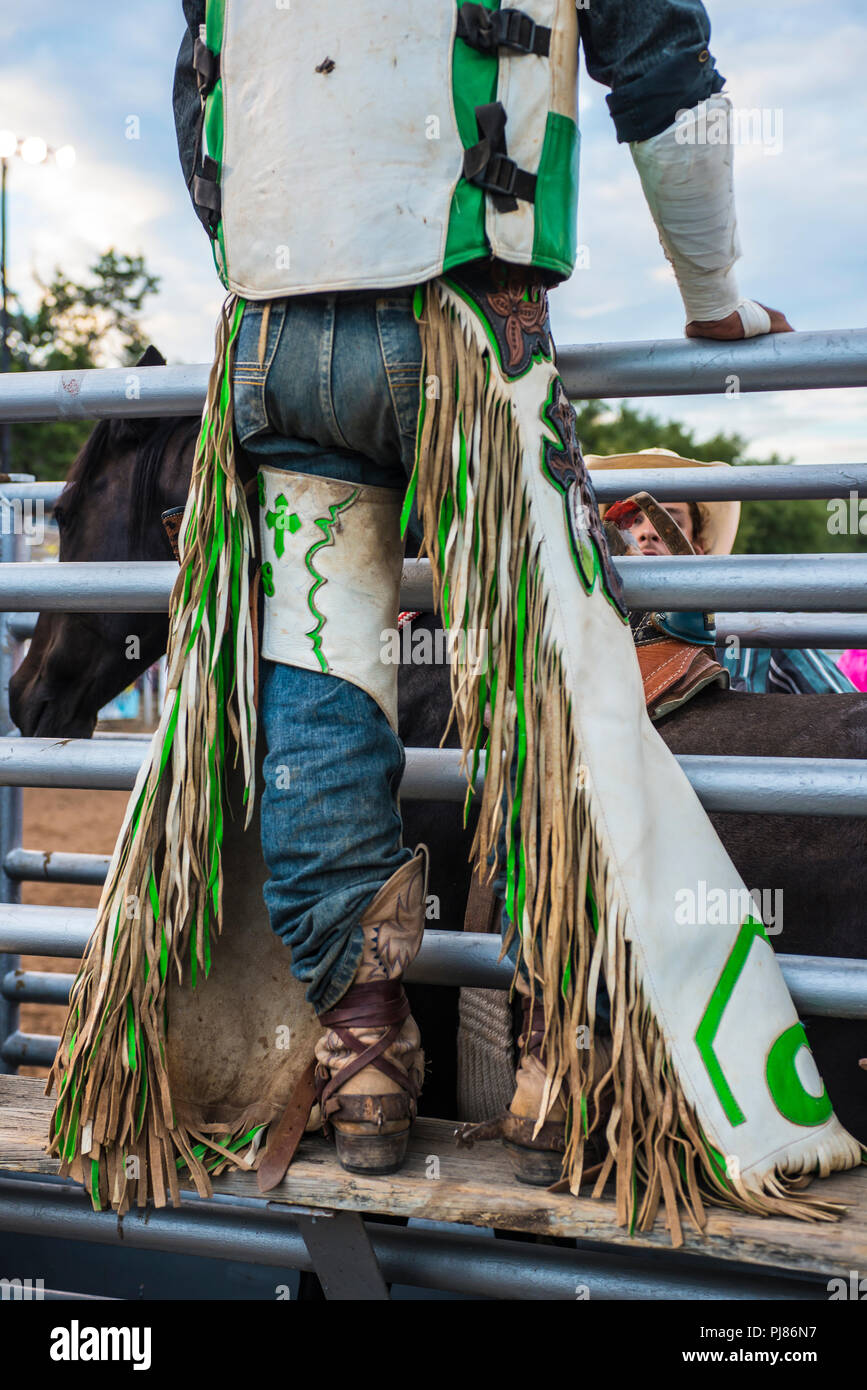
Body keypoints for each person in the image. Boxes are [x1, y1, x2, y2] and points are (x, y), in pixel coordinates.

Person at [47, 1, 861, 1234]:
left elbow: (200, 90)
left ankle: (365, 1055)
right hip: (466, 323)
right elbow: (662, 64)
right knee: (556, 689)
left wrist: (279, 253)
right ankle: (552, 1063)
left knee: (321, 674)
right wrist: (716, 297)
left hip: (276, 332)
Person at [589, 448, 859, 696]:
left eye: (667, 522)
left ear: (698, 548)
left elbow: (848, 715)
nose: (647, 532)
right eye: (633, 521)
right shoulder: (584, 631)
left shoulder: (762, 633)